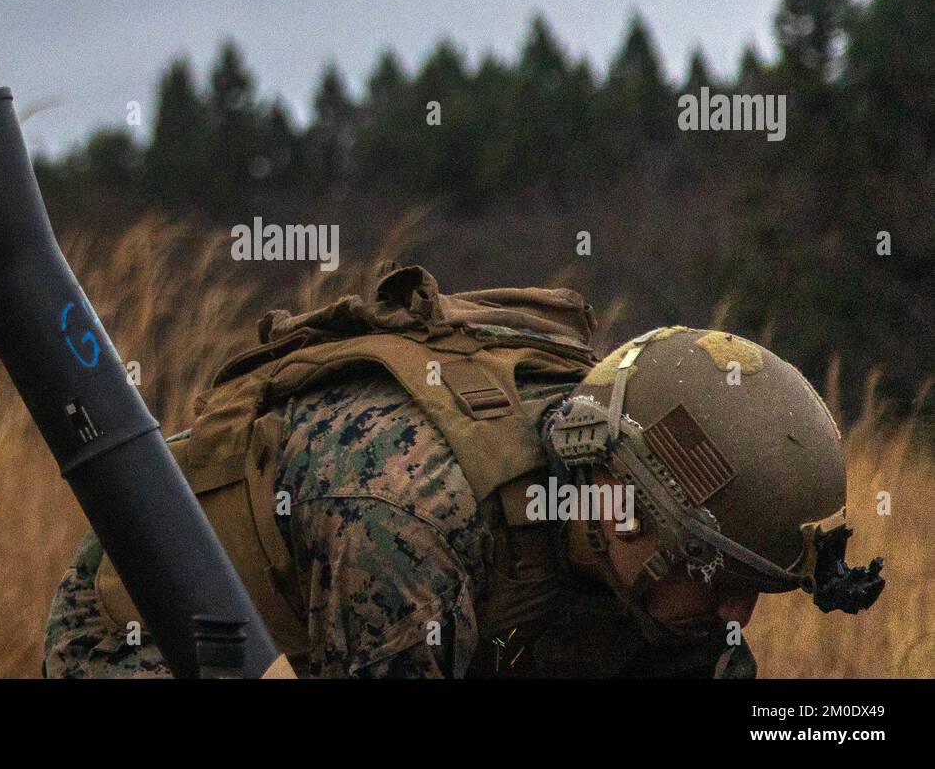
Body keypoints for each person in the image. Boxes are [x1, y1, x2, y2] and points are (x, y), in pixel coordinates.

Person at [44, 265, 883, 678]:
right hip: (154, 628)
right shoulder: (412, 514)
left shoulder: (666, 584)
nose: (737, 613)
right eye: (725, 579)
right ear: (624, 508)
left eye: (759, 589)